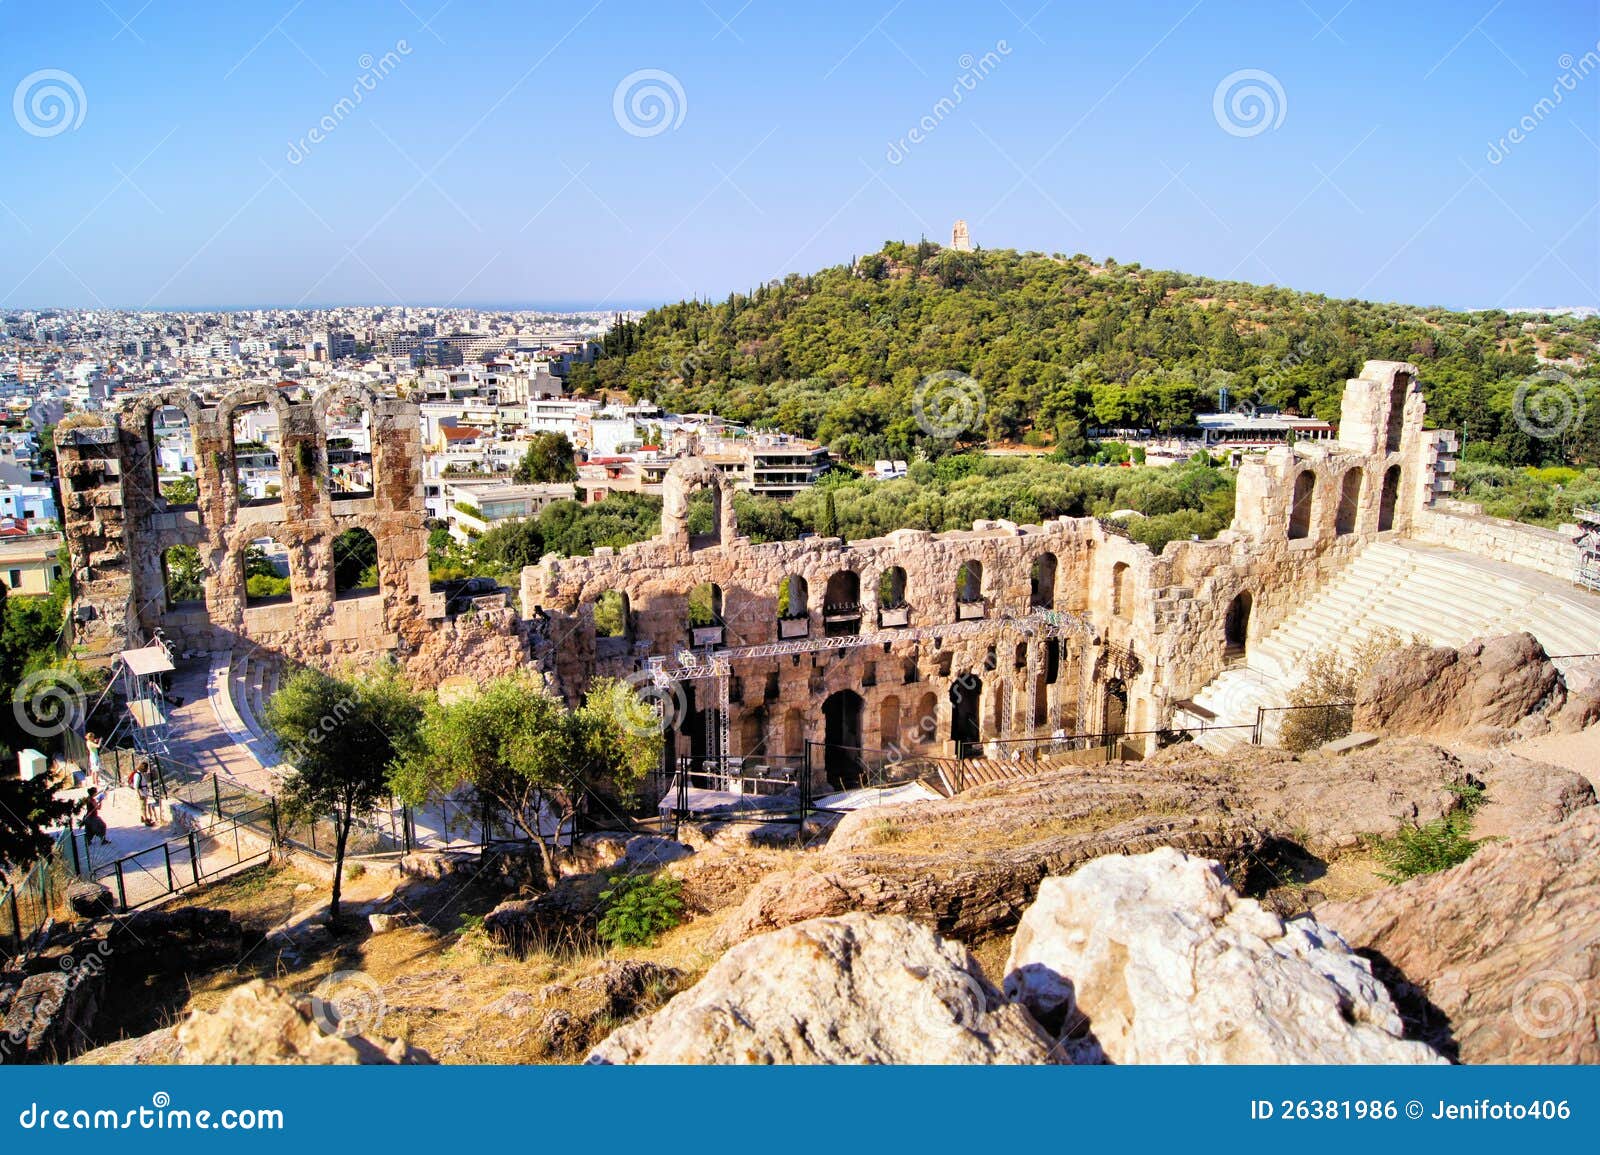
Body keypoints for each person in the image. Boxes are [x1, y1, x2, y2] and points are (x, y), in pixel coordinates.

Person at [129, 762, 157, 828]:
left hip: (143, 791)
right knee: (143, 806)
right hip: (141, 792)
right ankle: (145, 820)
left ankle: (143, 818)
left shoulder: (140, 774)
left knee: (143, 805)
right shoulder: (137, 775)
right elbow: (136, 786)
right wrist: (139, 794)